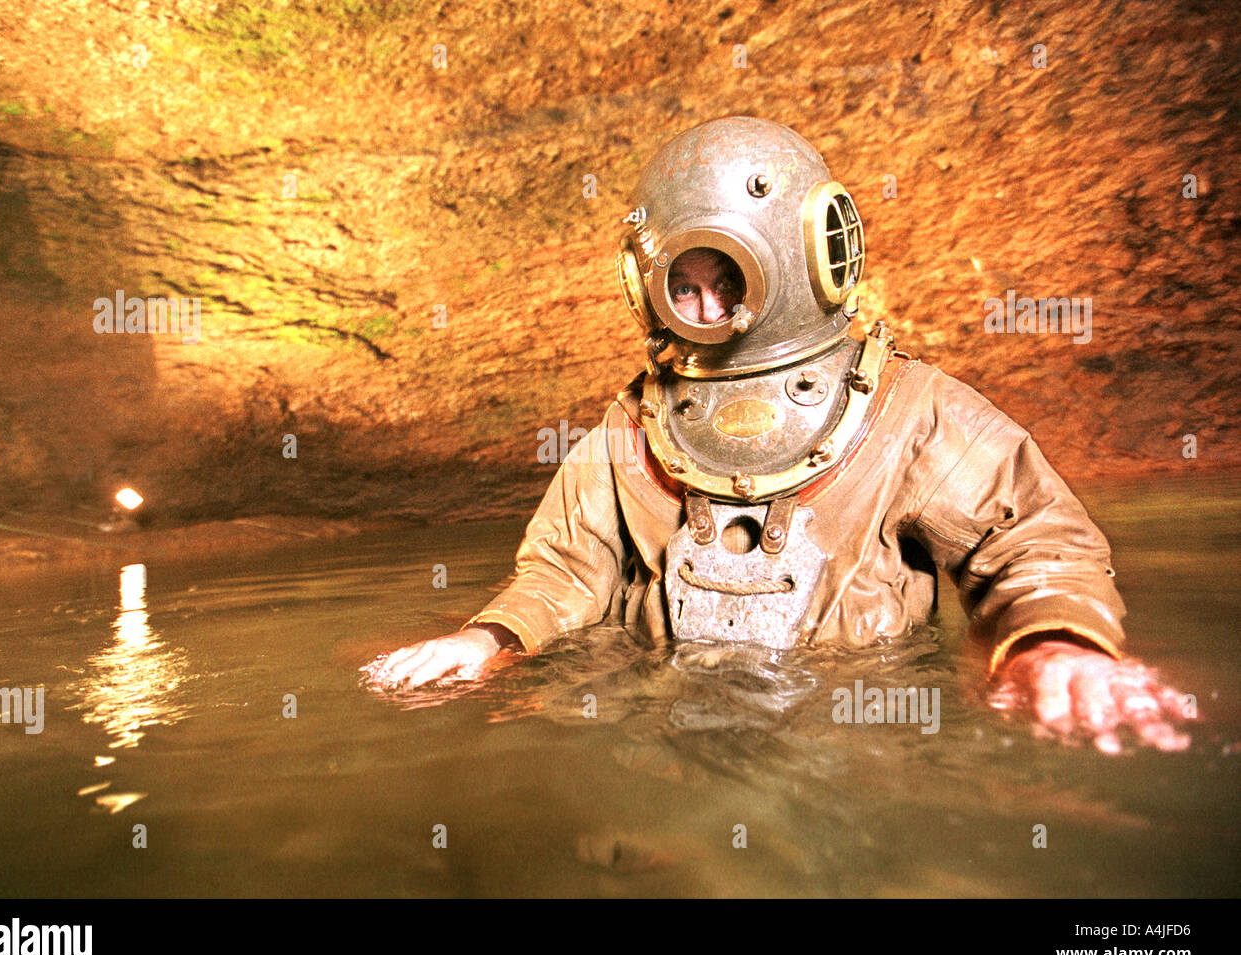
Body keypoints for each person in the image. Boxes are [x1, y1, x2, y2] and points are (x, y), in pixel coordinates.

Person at [369, 117, 1193, 753]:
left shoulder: (907, 410)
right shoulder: (635, 424)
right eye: (681, 282)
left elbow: (1029, 540)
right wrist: (489, 638)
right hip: (668, 728)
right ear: (644, 284)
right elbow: (567, 564)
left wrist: (1053, 645)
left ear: (809, 255)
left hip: (856, 728)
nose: (701, 305)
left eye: (725, 276)